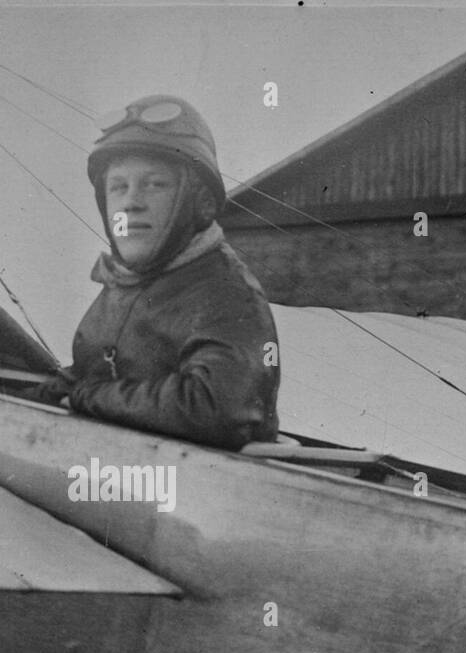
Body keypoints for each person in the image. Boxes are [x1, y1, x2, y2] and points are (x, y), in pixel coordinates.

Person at [29, 95, 279, 450]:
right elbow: (88, 377)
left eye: (154, 184)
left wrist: (92, 397)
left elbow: (216, 408)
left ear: (200, 201)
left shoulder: (226, 295)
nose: (131, 202)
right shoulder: (123, 283)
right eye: (118, 187)